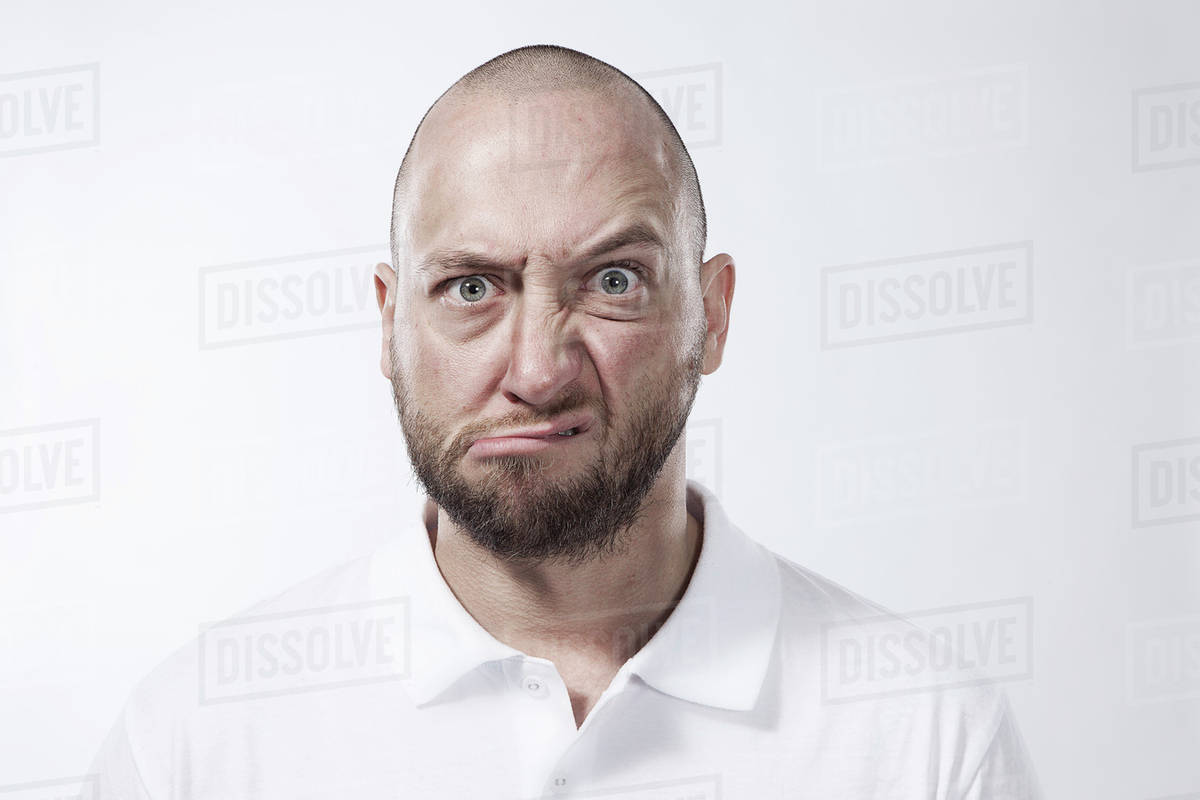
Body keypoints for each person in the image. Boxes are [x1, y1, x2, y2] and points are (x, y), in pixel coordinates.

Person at [89, 44, 1043, 799]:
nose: (538, 371)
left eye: (613, 281)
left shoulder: (925, 743)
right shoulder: (194, 746)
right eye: (471, 287)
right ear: (389, 322)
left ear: (711, 315)